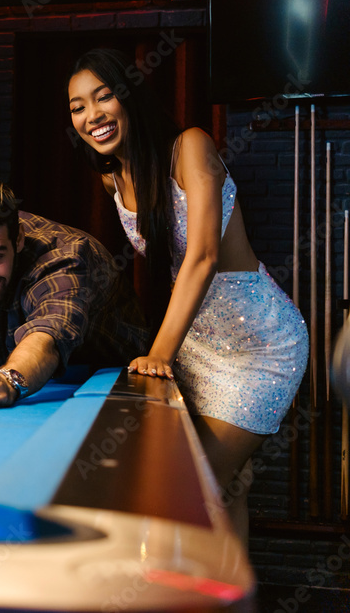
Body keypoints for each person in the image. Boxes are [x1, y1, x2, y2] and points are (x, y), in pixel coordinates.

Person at [66, 47, 308, 541]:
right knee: (230, 487)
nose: (92, 116)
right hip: (197, 344)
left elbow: (202, 257)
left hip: (260, 348)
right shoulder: (113, 179)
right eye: (77, 107)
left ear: (129, 95)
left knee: (189, 493)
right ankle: (233, 585)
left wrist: (159, 353)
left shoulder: (190, 146)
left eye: (103, 96)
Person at [0, 178, 149, 408]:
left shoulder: (64, 261)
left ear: (18, 239)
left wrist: (9, 380)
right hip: (34, 369)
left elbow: (47, 334)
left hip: (110, 378)